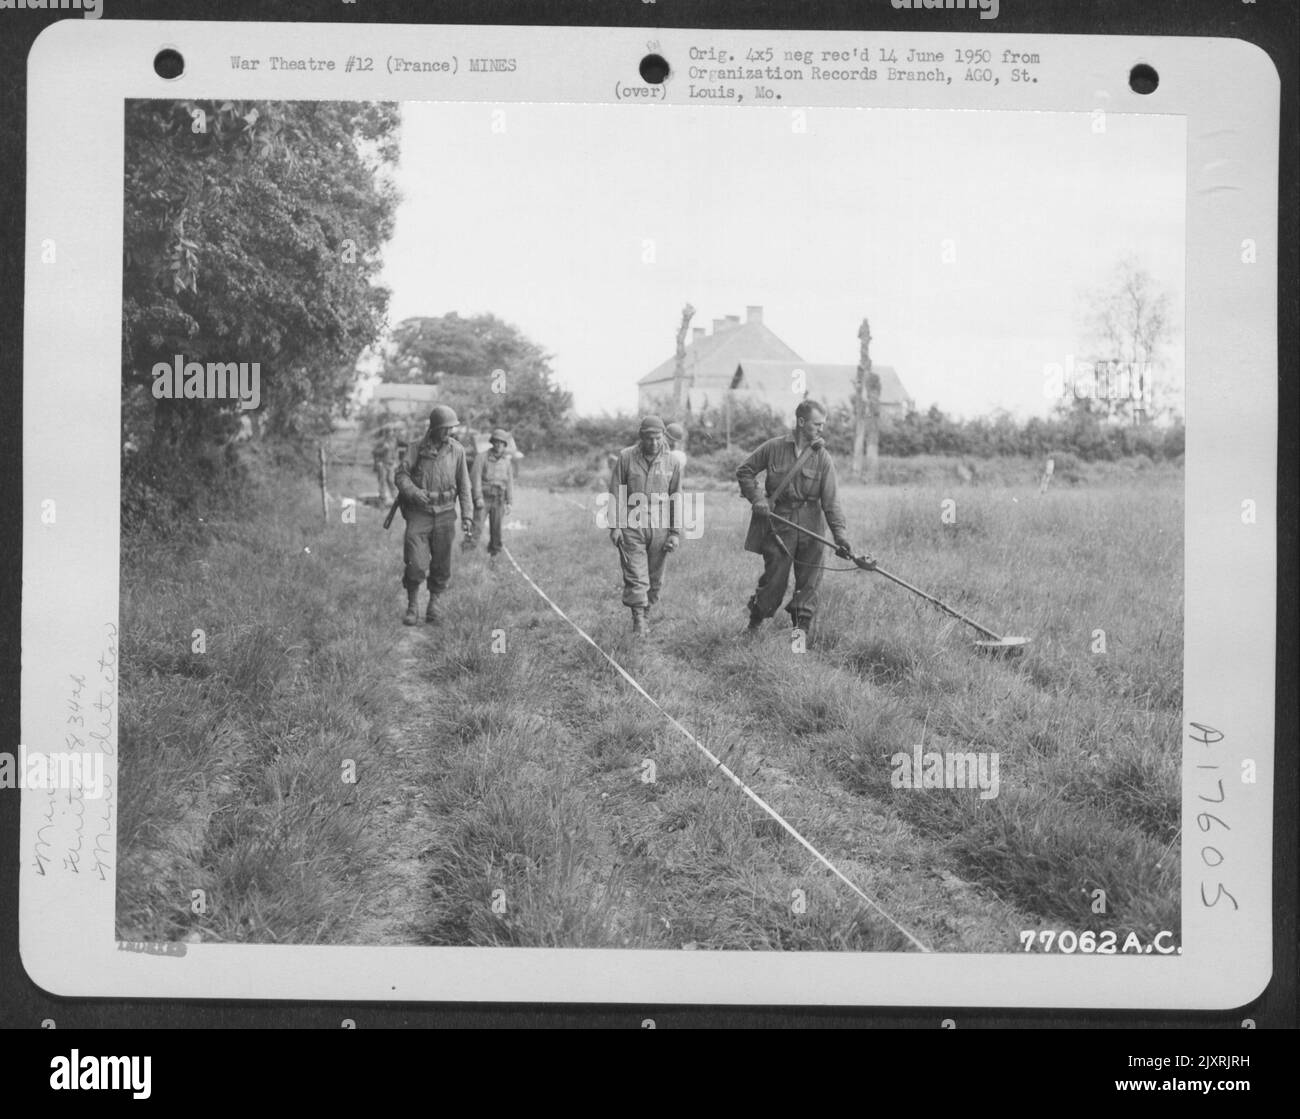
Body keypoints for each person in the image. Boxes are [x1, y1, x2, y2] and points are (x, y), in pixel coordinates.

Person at [736, 399, 855, 639]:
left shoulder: (823, 458)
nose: (821, 429)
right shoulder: (773, 447)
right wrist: (757, 498)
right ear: (801, 422)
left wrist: (840, 535)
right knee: (773, 581)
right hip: (780, 522)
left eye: (823, 424)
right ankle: (754, 626)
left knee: (808, 584)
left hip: (812, 524)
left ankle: (799, 639)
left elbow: (831, 501)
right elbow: (744, 471)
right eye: (816, 424)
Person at [394, 404, 474, 626]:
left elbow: (464, 486)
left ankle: (434, 606)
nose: (450, 433)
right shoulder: (416, 448)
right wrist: (414, 492)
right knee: (416, 562)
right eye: (446, 429)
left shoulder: (457, 450)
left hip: (446, 514)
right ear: (434, 428)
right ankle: (412, 606)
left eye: (452, 429)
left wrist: (467, 515)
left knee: (441, 564)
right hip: (419, 514)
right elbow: (400, 476)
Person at [607, 415, 682, 637]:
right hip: (632, 523)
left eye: (657, 438)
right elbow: (616, 491)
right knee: (635, 573)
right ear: (641, 437)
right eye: (649, 438)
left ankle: (646, 613)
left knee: (655, 577)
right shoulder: (626, 457)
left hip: (660, 526)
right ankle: (638, 620)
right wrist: (615, 526)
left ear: (664, 437)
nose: (654, 443)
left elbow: (676, 495)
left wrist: (674, 532)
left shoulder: (673, 462)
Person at [470, 428, 515, 559]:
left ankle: (494, 555)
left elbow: (509, 483)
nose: (498, 445)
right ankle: (468, 553)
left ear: (505, 445)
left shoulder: (506, 461)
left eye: (502, 443)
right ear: (492, 443)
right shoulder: (481, 457)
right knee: (476, 527)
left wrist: (509, 502)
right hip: (484, 498)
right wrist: (477, 497)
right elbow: (475, 478)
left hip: (499, 499)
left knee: (497, 529)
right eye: (496, 442)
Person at [371, 422, 401, 505]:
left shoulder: (394, 441)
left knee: (391, 480)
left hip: (391, 464)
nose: (390, 433)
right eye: (388, 431)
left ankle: (395, 497)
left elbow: (395, 452)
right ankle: (382, 497)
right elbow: (374, 452)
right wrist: (382, 450)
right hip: (382, 464)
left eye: (391, 431)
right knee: (382, 480)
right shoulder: (381, 441)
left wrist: (396, 462)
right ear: (385, 432)